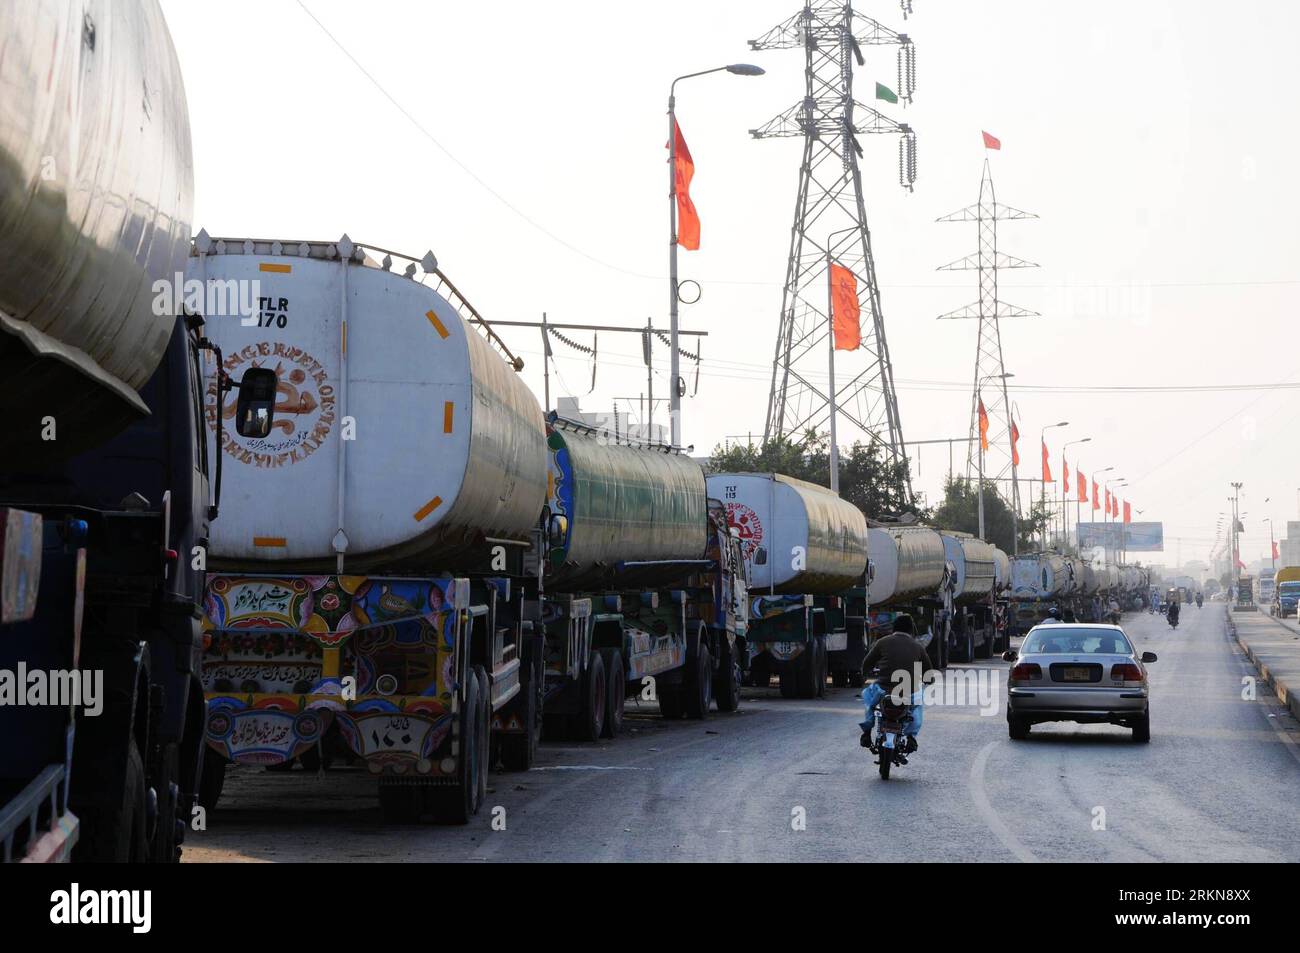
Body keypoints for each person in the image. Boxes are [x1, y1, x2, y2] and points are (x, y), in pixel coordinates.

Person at [859, 614, 932, 752]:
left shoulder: (882, 642)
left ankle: (867, 732)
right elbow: (928, 672)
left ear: (894, 628)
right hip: (908, 692)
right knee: (917, 706)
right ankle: (911, 738)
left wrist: (864, 673)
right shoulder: (918, 647)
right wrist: (928, 680)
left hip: (882, 691)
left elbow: (866, 663)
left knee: (869, 700)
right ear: (911, 630)